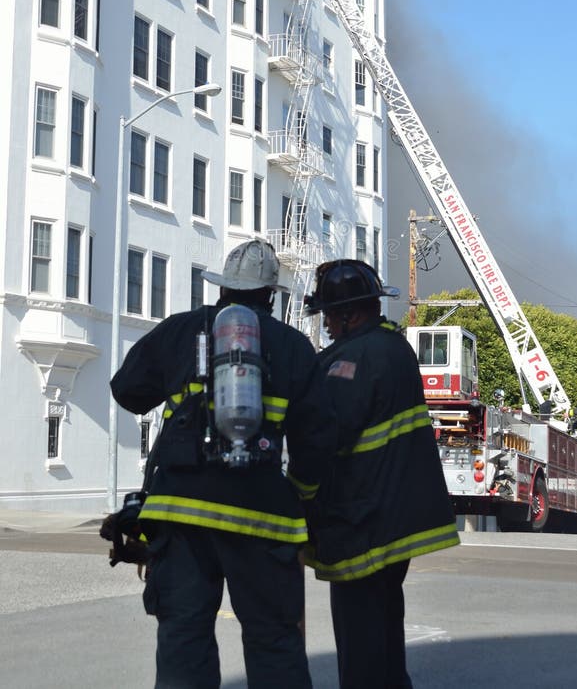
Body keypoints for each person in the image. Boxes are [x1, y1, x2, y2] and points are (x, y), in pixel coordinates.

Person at [110, 239, 336, 689]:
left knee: (183, 637)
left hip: (179, 513)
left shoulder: (179, 331)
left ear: (221, 289)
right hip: (261, 517)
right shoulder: (293, 347)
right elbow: (316, 442)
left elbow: (127, 390)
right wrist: (304, 496)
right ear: (270, 295)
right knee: (273, 639)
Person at [302, 259, 460, 689]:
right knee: (386, 624)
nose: (327, 326)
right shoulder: (395, 348)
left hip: (361, 521)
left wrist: (298, 498)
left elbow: (325, 437)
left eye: (330, 316)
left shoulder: (348, 360)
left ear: (351, 313)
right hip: (392, 521)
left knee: (360, 645)